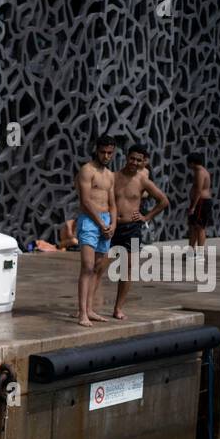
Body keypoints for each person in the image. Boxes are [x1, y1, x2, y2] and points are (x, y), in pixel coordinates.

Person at [109, 144, 169, 319]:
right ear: (127, 157)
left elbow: (163, 201)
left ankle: (118, 308)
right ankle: (87, 307)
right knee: (97, 267)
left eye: (138, 160)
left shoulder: (143, 180)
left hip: (132, 229)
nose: (134, 162)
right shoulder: (113, 177)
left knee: (127, 270)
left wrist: (146, 217)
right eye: (132, 158)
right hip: (112, 227)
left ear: (143, 162)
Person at [73, 134, 118, 327]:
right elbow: (85, 201)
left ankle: (90, 309)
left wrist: (113, 224)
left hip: (106, 222)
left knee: (99, 268)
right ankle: (82, 312)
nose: (106, 156)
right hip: (90, 222)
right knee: (87, 266)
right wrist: (100, 223)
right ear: (96, 150)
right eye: (103, 152)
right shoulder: (87, 170)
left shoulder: (110, 175)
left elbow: (113, 203)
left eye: (110, 153)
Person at [186, 151, 213, 251]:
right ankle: (191, 251)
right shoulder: (200, 171)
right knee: (193, 227)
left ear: (192, 162)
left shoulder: (200, 172)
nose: (188, 165)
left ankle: (200, 253)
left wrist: (193, 207)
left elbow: (198, 190)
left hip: (201, 202)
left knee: (199, 227)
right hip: (199, 202)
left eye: (188, 163)